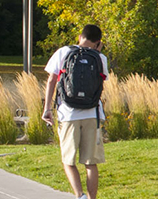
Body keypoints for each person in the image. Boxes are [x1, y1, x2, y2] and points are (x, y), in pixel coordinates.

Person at [42, 24, 108, 199]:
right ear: (98, 42)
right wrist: (98, 52)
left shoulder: (63, 52)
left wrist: (47, 108)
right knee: (90, 162)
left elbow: (51, 80)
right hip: (91, 114)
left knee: (68, 161)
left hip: (67, 113)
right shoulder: (100, 58)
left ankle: (80, 196)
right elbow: (102, 81)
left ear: (80, 36)